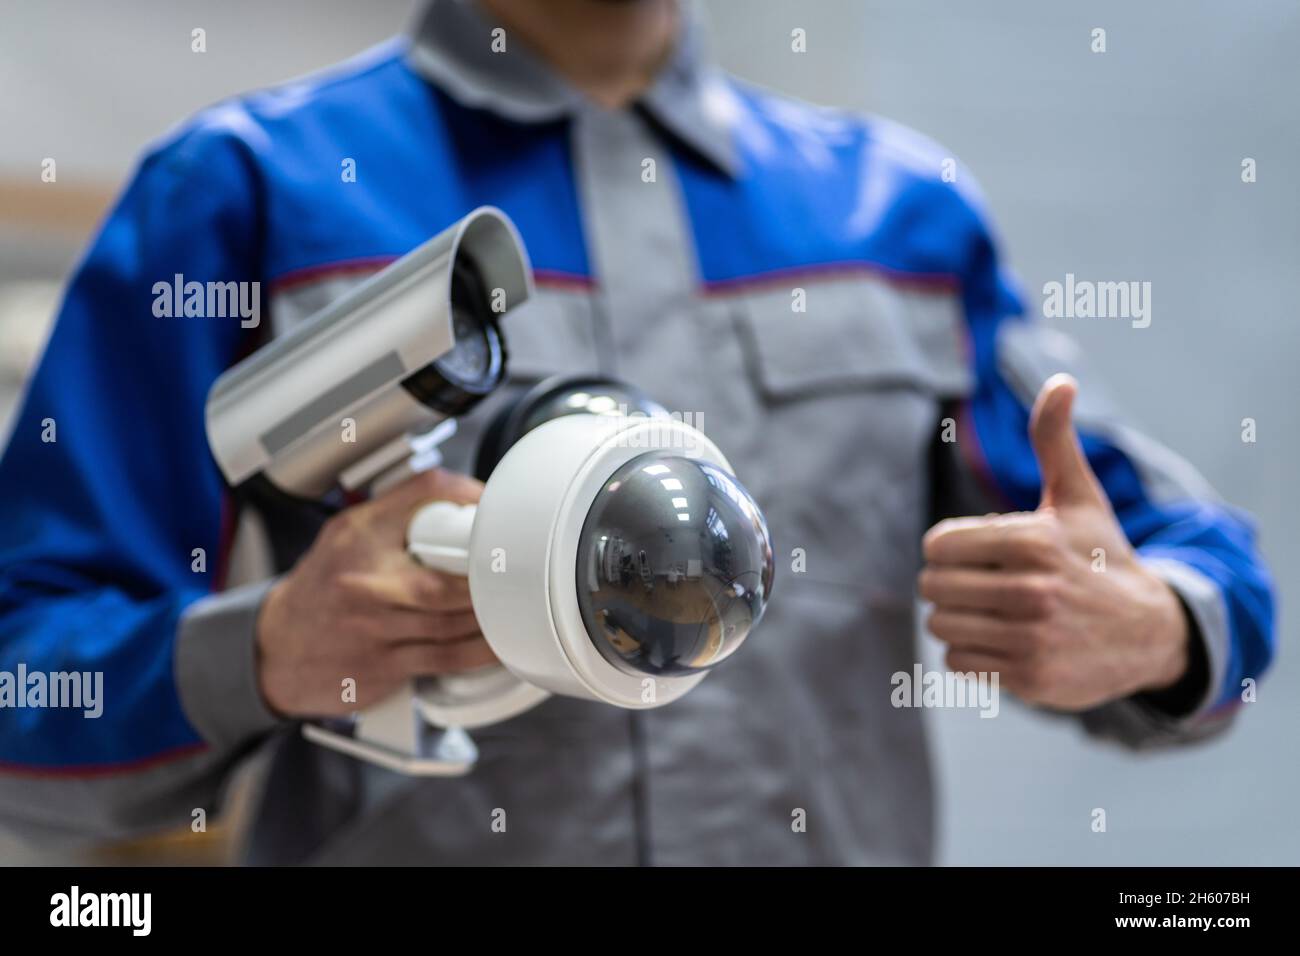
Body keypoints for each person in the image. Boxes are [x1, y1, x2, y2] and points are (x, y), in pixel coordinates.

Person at [0, 0, 1275, 864]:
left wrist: (1153, 626)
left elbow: (1182, 564)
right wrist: (268, 649)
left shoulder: (899, 219)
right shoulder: (242, 191)